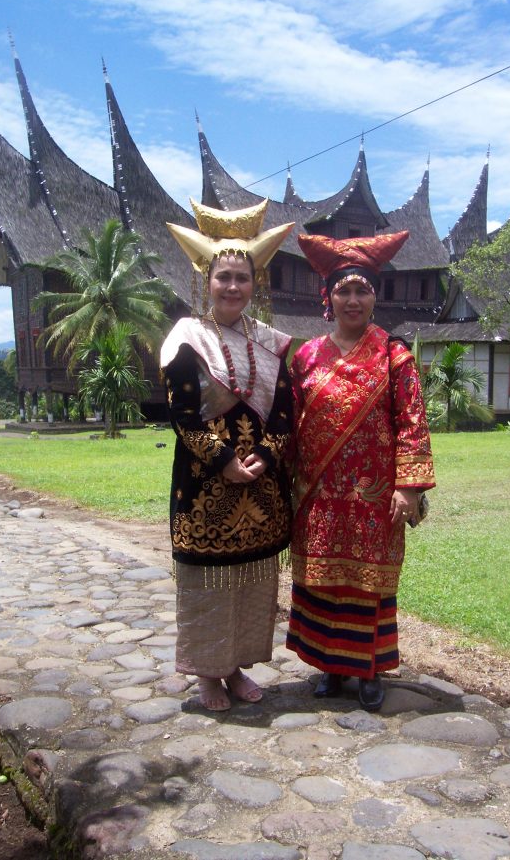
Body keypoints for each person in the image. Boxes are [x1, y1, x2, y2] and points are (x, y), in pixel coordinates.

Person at [287, 231, 435, 711]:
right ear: (327, 298)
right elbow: (290, 421)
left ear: (374, 298)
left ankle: (369, 668)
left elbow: (412, 421)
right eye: (343, 290)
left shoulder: (394, 355)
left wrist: (409, 488)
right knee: (324, 580)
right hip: (319, 493)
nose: (352, 300)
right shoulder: (307, 356)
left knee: (368, 582)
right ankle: (329, 665)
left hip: (374, 496)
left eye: (361, 291)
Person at [160, 198, 295, 711]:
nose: (233, 286)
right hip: (204, 484)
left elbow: (284, 411)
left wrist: (264, 456)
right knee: (208, 583)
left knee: (249, 580)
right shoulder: (187, 338)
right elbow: (183, 414)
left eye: (242, 277)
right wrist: (224, 462)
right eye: (224, 277)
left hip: (260, 484)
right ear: (207, 279)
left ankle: (235, 667)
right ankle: (208, 673)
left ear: (255, 283)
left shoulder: (271, 342)